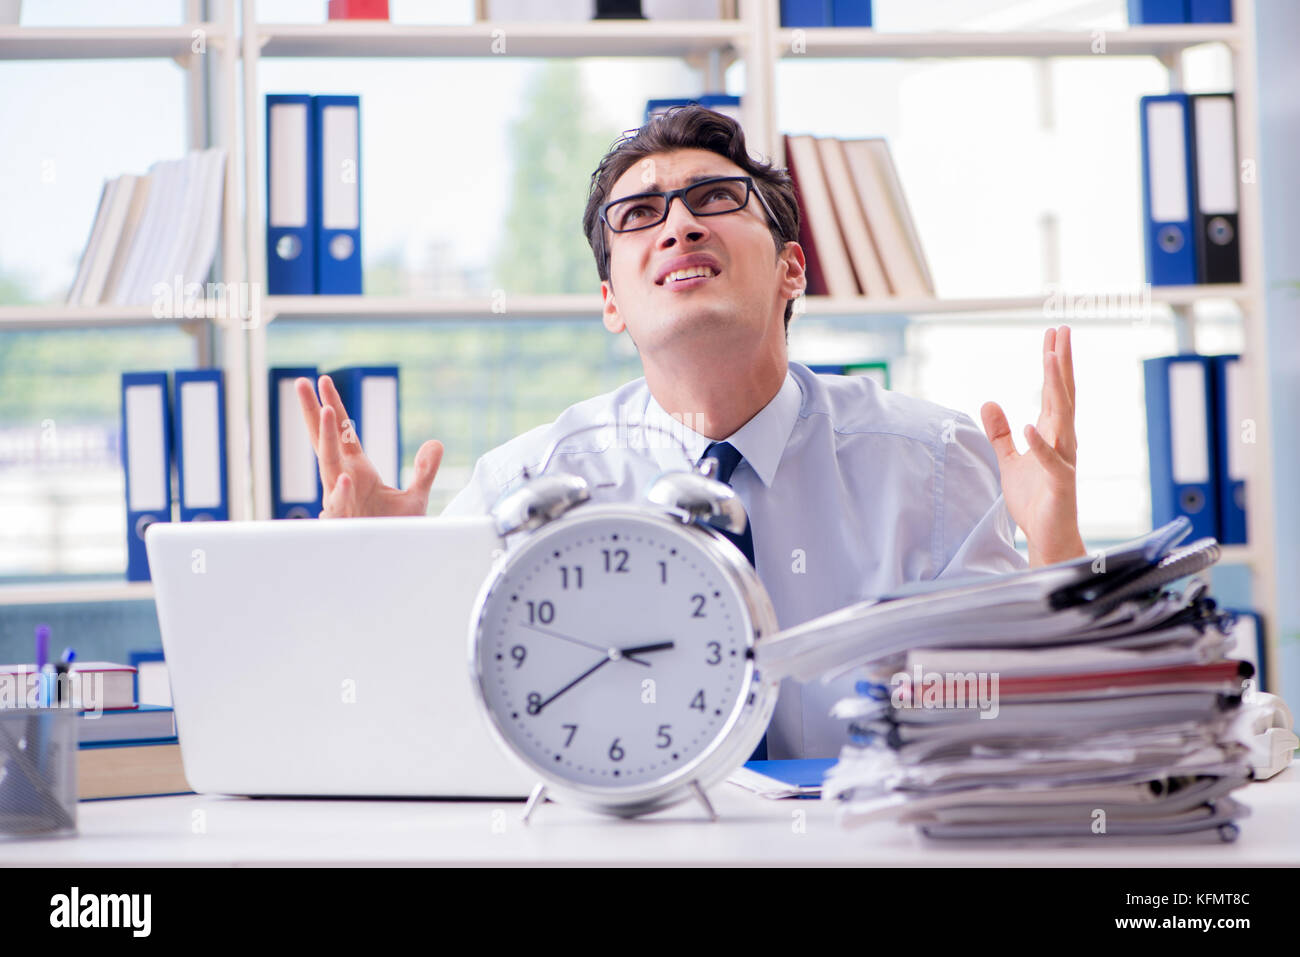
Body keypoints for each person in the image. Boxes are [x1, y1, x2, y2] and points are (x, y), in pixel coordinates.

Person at [295, 105, 1086, 758]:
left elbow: (1039, 734)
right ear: (612, 303)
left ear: (791, 270)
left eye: (714, 198)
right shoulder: (521, 487)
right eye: (640, 214)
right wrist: (374, 583)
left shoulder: (939, 467)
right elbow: (409, 732)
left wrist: (1059, 555)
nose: (678, 225)